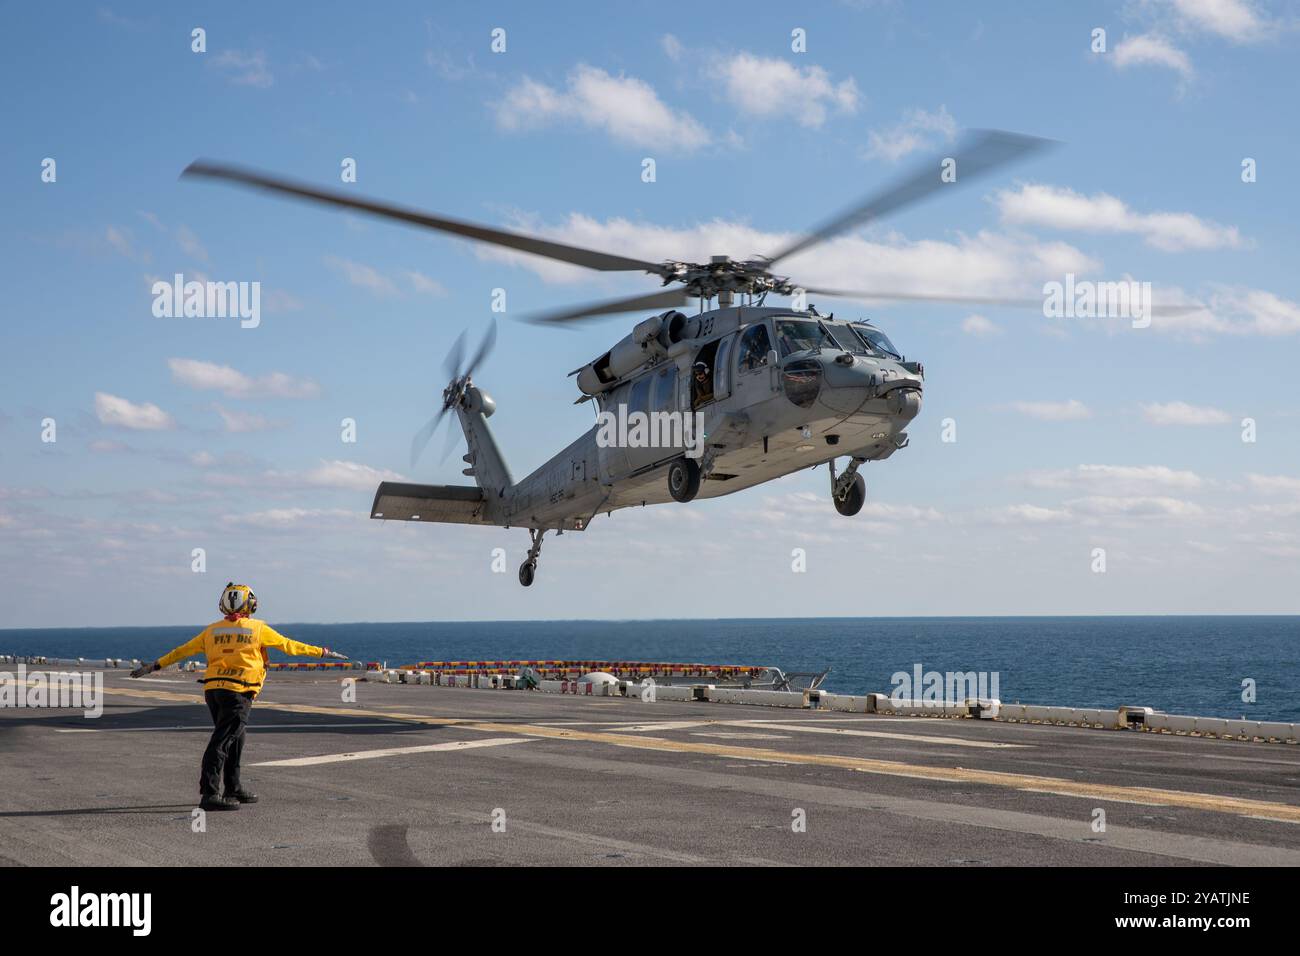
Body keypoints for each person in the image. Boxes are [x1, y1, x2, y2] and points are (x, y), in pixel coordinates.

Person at [130, 583, 348, 812]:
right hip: (238, 691)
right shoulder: (257, 628)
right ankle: (210, 793)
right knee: (222, 741)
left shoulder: (212, 630)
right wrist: (321, 652)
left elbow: (182, 651)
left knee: (236, 738)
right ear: (250, 603)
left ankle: (233, 787)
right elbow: (290, 646)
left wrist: (155, 665)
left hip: (214, 691)